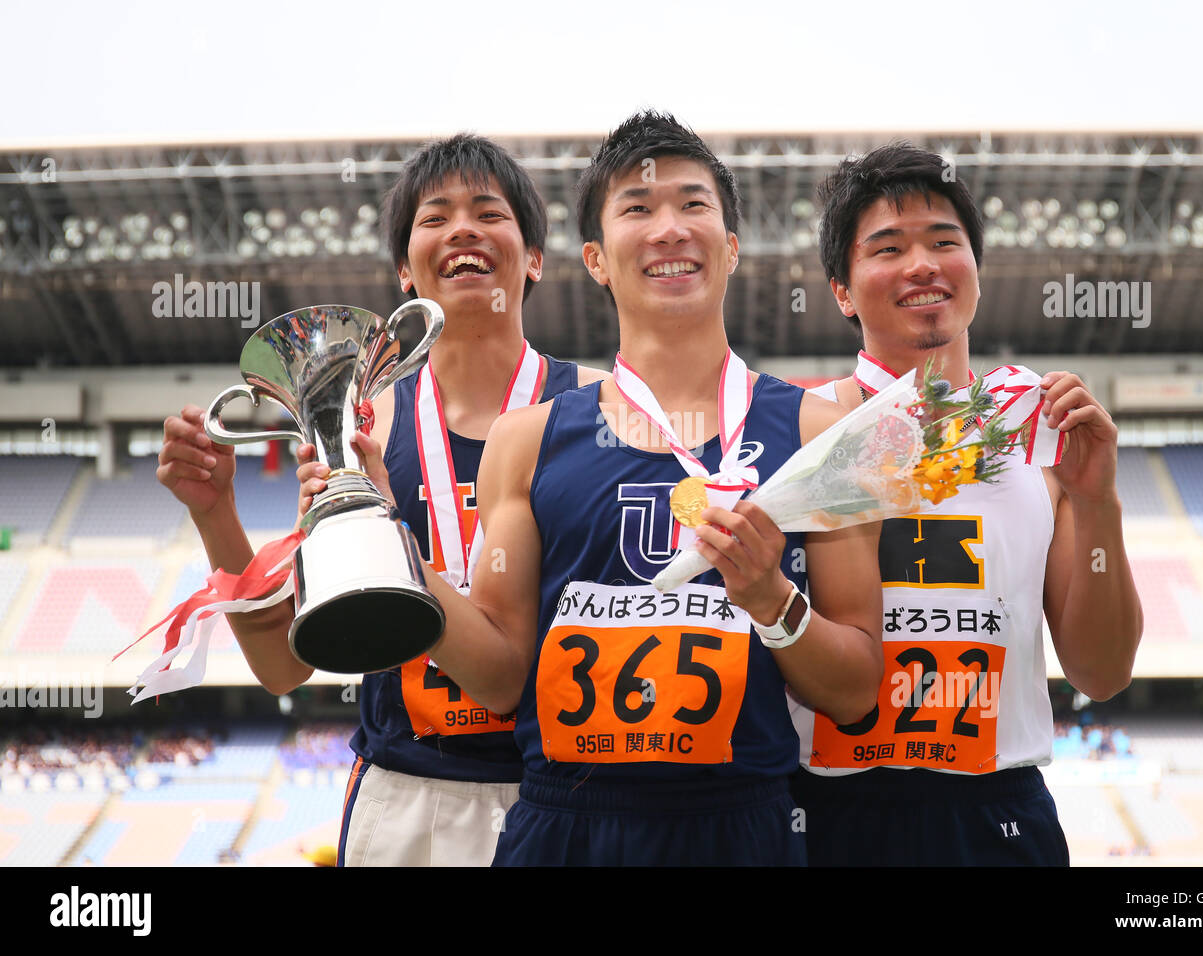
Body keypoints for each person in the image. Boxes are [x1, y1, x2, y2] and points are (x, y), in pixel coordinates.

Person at [343, 111, 885, 866]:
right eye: (638, 208)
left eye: (694, 205)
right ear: (595, 259)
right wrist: (384, 536)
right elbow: (500, 678)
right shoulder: (525, 441)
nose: (668, 229)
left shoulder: (825, 432)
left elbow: (858, 690)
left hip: (744, 826)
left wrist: (774, 603)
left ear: (731, 248)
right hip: (564, 827)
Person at [157, 134, 606, 866]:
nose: (462, 226)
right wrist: (215, 512)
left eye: (488, 212)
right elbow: (283, 669)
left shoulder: (597, 409)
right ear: (406, 271)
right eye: (435, 217)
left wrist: (389, 536)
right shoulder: (359, 425)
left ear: (533, 259)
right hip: (406, 801)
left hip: (565, 792)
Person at [789, 142, 1144, 865]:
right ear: (842, 290)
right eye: (887, 247)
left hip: (998, 817)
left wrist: (1098, 499)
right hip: (828, 807)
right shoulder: (798, 430)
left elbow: (1101, 673)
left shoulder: (1043, 431)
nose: (922, 264)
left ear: (976, 271)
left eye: (945, 242)